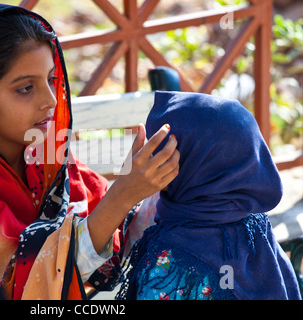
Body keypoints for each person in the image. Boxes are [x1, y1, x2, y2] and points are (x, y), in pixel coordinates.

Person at [0, 3, 179, 300]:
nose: (50, 101)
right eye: (25, 88)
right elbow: (26, 281)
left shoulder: (43, 156)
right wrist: (123, 196)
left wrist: (150, 187)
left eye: (51, 79)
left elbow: (102, 226)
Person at [116, 91, 302, 300]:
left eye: (159, 156)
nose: (149, 164)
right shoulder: (253, 224)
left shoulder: (171, 257)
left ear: (192, 167)